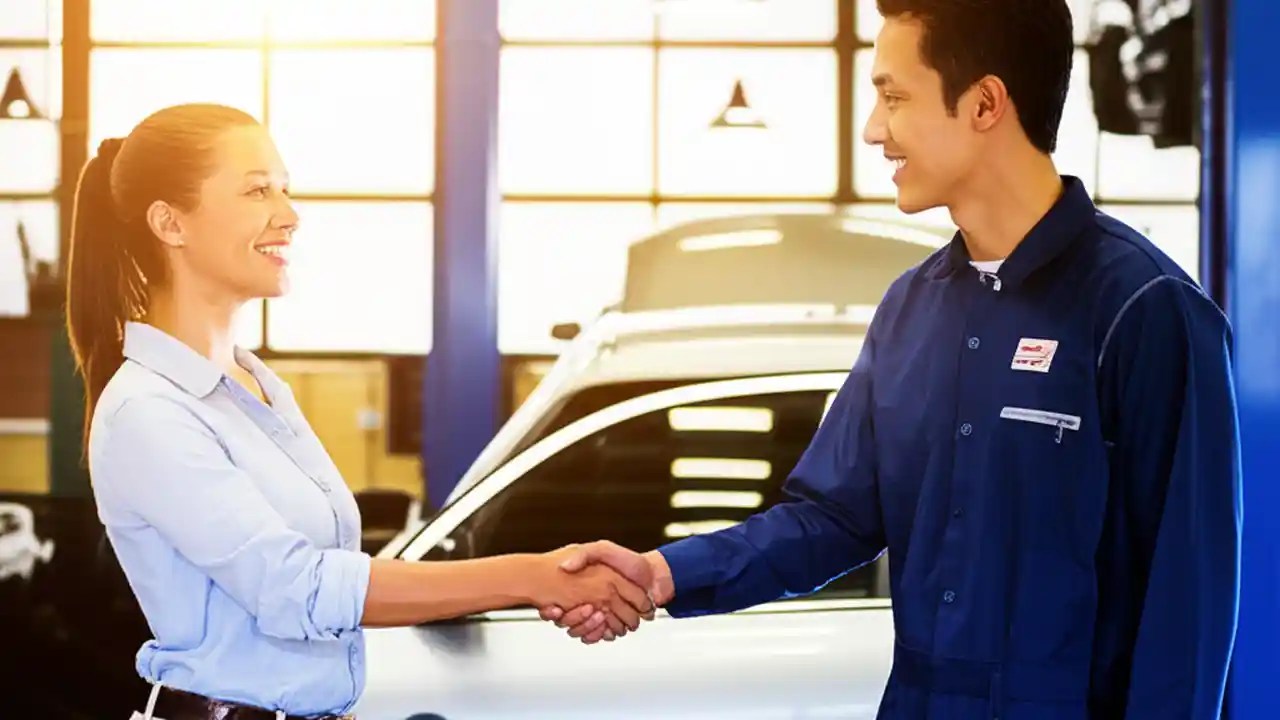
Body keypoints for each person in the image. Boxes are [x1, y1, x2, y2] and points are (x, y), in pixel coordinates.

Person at [541, 1, 1242, 718]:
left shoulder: (1144, 311)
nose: (875, 129)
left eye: (894, 96)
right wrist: (661, 573)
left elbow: (1185, 609)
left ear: (984, 104)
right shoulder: (912, 309)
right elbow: (831, 519)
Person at [65, 103, 653, 720]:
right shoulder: (148, 410)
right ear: (170, 223)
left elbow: (337, 575)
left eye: (285, 189)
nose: (288, 216)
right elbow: (299, 589)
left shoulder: (257, 386)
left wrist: (537, 580)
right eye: (257, 190)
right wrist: (534, 576)